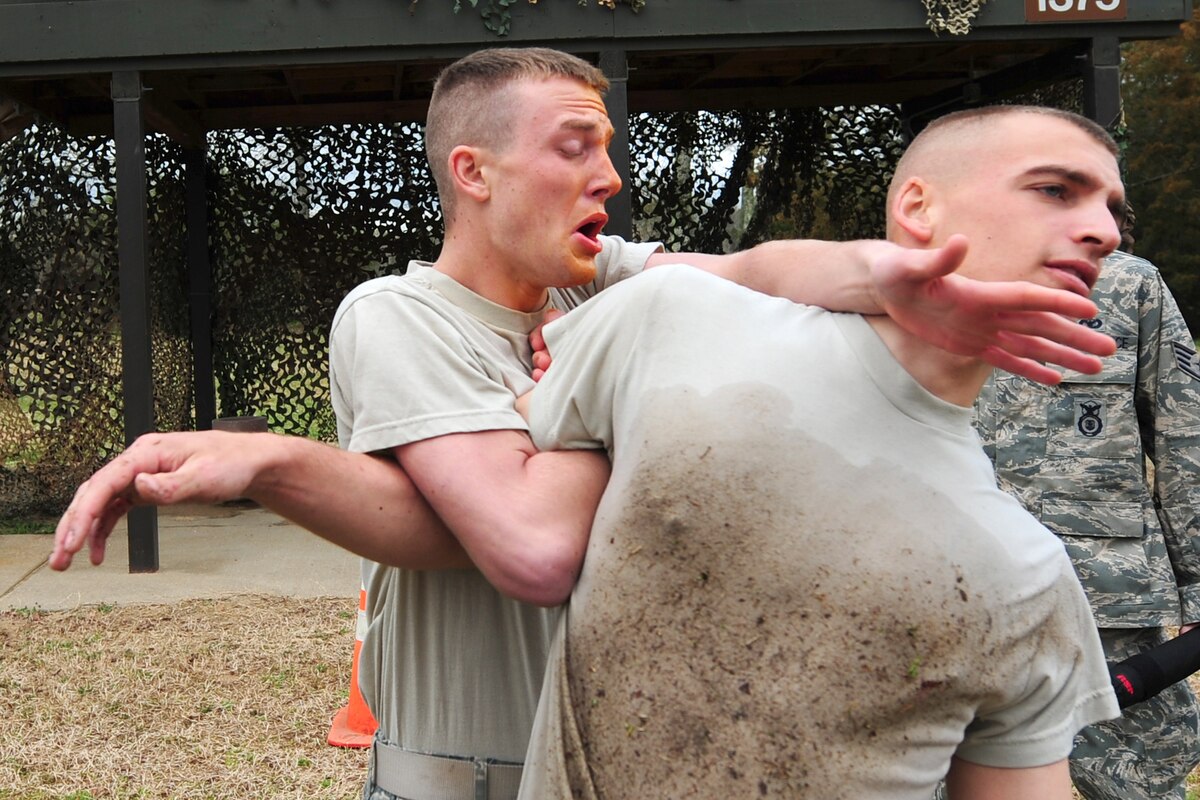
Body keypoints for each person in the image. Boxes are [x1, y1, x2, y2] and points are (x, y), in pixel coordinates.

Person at [49, 50, 1117, 800]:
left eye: (609, 148)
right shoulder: (397, 312)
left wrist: (882, 273)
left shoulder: (594, 289)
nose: (608, 176)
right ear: (474, 172)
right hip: (467, 770)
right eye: (575, 147)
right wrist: (276, 461)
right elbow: (523, 542)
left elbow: (744, 272)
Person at [512, 105, 1125, 799]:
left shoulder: (1029, 575)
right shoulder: (673, 321)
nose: (1103, 233)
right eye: (1055, 190)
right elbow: (508, 471)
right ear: (918, 207)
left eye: (1113, 212)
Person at [974, 250, 1200, 800]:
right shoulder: (913, 280)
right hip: (952, 592)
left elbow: (1184, 438)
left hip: (1101, 599)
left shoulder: (1126, 284)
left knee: (1137, 778)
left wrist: (1198, 586)